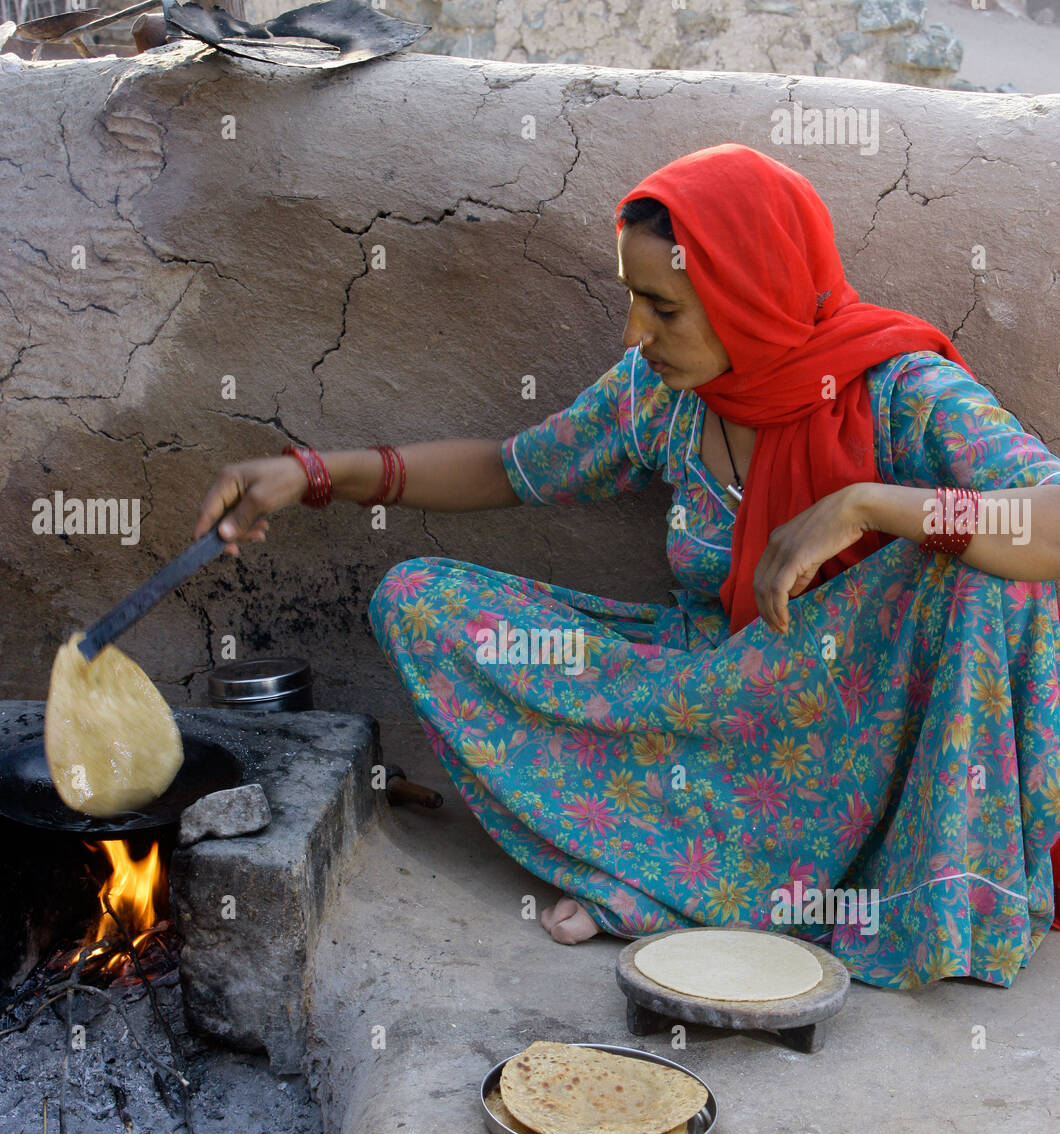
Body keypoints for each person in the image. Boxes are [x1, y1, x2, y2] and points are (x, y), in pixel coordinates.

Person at [194, 143, 1060, 990]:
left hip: (852, 728)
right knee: (418, 601)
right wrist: (315, 474)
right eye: (632, 300)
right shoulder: (664, 397)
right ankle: (688, 873)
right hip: (703, 703)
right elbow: (512, 467)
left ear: (747, 295)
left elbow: (1052, 523)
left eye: (664, 307)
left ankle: (704, 884)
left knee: (982, 574)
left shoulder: (896, 390)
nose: (636, 332)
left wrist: (869, 504)